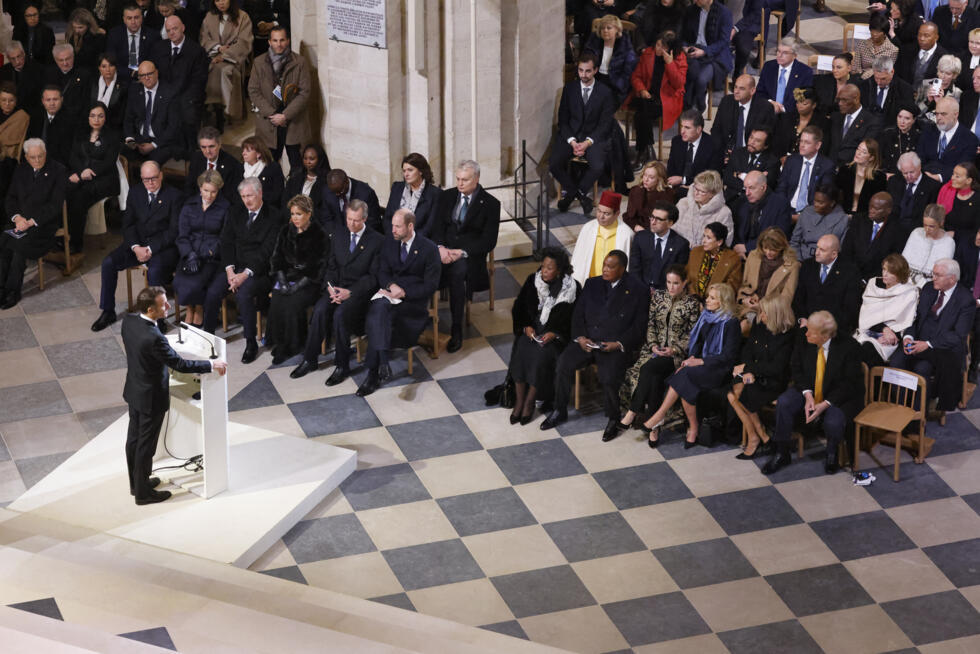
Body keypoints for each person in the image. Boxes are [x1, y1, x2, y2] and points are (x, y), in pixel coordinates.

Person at [121, 286, 227, 505]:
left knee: (134, 440)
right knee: (145, 446)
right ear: (150, 310)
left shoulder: (129, 321)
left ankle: (136, 484)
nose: (169, 306)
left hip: (134, 390)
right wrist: (211, 364)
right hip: (151, 397)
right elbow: (179, 364)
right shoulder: (153, 338)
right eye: (163, 305)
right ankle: (143, 494)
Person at [540, 250, 649, 440]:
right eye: (604, 265)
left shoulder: (638, 290)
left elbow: (639, 327)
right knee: (563, 364)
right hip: (587, 341)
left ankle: (613, 418)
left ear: (622, 269)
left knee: (609, 377)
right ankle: (559, 410)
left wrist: (618, 344)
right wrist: (581, 338)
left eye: (610, 267)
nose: (605, 269)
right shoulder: (592, 284)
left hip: (612, 346)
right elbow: (578, 315)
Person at [291, 199, 384, 383]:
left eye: (356, 220)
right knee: (320, 310)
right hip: (336, 288)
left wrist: (350, 292)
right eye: (349, 219)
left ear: (364, 219)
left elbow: (373, 277)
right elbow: (330, 266)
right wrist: (330, 287)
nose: (352, 224)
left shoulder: (377, 241)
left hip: (358, 294)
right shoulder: (339, 234)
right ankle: (310, 359)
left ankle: (342, 366)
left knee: (340, 315)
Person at [762, 310, 865, 475]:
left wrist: (825, 404)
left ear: (825, 336)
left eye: (811, 332)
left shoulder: (850, 347)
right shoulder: (804, 338)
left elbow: (849, 384)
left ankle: (832, 453)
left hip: (836, 395)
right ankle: (782, 452)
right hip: (809, 387)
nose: (806, 333)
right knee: (784, 402)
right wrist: (808, 394)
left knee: (834, 421)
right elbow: (796, 367)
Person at [640, 282, 739, 447]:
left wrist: (700, 361)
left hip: (720, 369)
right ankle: (692, 428)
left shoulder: (731, 323)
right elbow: (698, 345)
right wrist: (690, 360)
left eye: (712, 298)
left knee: (684, 376)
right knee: (685, 378)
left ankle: (661, 416)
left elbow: (728, 356)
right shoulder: (706, 316)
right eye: (708, 296)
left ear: (723, 302)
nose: (707, 300)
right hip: (703, 365)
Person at [356, 208, 441, 397]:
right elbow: (382, 271)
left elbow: (431, 286)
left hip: (412, 304)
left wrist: (405, 293)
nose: (392, 230)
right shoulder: (390, 243)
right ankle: (380, 365)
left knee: (377, 316)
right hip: (389, 296)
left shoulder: (429, 249)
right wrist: (391, 285)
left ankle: (375, 371)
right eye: (392, 225)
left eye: (397, 226)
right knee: (378, 310)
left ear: (410, 226)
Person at [92, 161, 182, 332]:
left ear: (161, 175)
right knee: (108, 263)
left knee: (155, 271)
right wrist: (135, 247)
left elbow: (173, 231)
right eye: (146, 179)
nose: (150, 183)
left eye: (154, 178)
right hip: (137, 245)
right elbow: (128, 224)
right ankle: (108, 311)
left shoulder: (174, 196)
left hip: (162, 247)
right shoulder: (135, 192)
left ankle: (158, 318)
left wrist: (150, 249)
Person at [618, 263, 700, 430]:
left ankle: (633, 412)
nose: (671, 287)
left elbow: (692, 335)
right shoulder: (658, 297)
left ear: (684, 282)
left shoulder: (692, 303)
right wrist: (654, 345)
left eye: (675, 283)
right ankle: (653, 429)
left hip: (675, 355)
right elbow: (651, 325)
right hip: (654, 351)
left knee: (648, 368)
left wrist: (674, 349)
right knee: (654, 379)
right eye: (668, 282)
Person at [431, 160, 501, 352]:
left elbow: (488, 241)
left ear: (476, 179)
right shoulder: (446, 196)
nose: (460, 184)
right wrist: (440, 248)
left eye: (465, 180)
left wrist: (461, 252)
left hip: (469, 257)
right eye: (458, 179)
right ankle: (419, 320)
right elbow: (436, 228)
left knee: (458, 272)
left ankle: (456, 328)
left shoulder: (491, 204)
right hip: (443, 252)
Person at [890, 258, 975, 414]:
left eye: (938, 275)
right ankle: (899, 410)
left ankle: (917, 417)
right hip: (916, 341)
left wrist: (928, 344)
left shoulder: (966, 300)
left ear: (952, 279)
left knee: (921, 368)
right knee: (895, 363)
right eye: (933, 274)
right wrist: (908, 337)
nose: (933, 278)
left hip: (941, 348)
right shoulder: (929, 288)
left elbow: (958, 336)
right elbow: (914, 317)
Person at [508, 247, 579, 425]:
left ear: (559, 271)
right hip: (534, 329)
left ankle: (530, 402)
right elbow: (519, 307)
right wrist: (526, 326)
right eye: (543, 266)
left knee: (540, 355)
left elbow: (575, 320)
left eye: (549, 268)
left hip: (555, 337)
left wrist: (555, 334)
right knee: (521, 349)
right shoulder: (533, 280)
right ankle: (519, 401)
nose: (544, 271)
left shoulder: (572, 288)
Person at [220, 177, 281, 363]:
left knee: (243, 294)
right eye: (243, 196)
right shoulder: (235, 211)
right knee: (213, 287)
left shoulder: (274, 215)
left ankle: (250, 342)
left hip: (261, 270)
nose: (246, 200)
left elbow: (267, 252)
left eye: (250, 196)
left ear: (260, 193)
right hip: (236, 267)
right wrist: (230, 271)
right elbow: (226, 242)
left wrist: (245, 274)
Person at [0, 139, 67, 310]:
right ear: (26, 157)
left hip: (42, 225)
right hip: (20, 222)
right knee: (3, 243)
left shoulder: (58, 170)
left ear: (45, 154)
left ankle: (13, 291)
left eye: (40, 156)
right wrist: (17, 218)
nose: (37, 160)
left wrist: (30, 222)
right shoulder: (21, 169)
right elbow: (11, 198)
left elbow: (55, 206)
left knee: (18, 248)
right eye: (33, 157)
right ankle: (1, 288)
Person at [727, 294, 796, 459]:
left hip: (773, 381)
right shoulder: (759, 326)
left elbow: (777, 368)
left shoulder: (788, 335)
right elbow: (747, 351)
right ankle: (760, 436)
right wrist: (748, 370)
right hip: (754, 373)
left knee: (740, 394)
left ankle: (756, 439)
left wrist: (751, 370)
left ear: (776, 314)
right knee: (732, 393)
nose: (761, 315)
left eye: (765, 312)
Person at [265, 194, 327, 364]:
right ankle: (280, 343)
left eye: (299, 214)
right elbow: (276, 259)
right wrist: (283, 282)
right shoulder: (285, 230)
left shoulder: (319, 234)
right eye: (292, 214)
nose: (295, 218)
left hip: (309, 282)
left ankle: (292, 346)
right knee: (277, 298)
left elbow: (317, 268)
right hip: (288, 277)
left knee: (293, 303)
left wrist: (295, 287)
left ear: (309, 213)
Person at [552, 51, 615, 215]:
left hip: (593, 138)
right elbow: (563, 120)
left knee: (598, 166)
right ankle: (579, 195)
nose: (583, 75)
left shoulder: (605, 92)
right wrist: (572, 141)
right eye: (581, 70)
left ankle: (571, 195)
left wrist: (587, 142)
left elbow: (605, 124)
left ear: (595, 70)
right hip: (571, 136)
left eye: (587, 71)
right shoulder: (569, 89)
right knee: (554, 164)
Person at [172, 169, 230, 331]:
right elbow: (182, 235)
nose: (209, 195)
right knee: (178, 282)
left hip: (211, 256)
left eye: (213, 192)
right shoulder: (189, 205)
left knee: (196, 283)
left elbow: (224, 237)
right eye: (206, 190)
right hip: (189, 254)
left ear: (218, 190)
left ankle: (198, 308)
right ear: (200, 188)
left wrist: (209, 253)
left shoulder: (225, 207)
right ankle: (190, 308)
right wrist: (189, 254)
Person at [248, 25, 311, 171]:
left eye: (282, 40)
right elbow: (253, 90)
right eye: (275, 40)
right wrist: (272, 113)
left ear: (288, 41)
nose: (279, 44)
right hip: (269, 123)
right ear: (269, 42)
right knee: (268, 168)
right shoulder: (259, 62)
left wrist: (285, 115)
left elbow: (305, 92)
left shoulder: (299, 62)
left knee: (297, 168)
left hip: (293, 121)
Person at [65, 102, 121, 254]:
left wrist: (88, 172)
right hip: (83, 176)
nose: (96, 119)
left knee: (79, 197)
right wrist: (81, 172)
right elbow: (73, 157)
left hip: (103, 179)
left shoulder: (113, 136)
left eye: (100, 116)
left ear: (105, 118)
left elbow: (108, 162)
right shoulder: (80, 133)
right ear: (88, 117)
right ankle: (61, 237)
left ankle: (76, 244)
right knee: (65, 190)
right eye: (93, 116)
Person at [627, 29, 687, 167]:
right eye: (658, 45)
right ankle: (648, 151)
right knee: (643, 110)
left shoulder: (679, 58)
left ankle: (643, 152)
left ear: (670, 49)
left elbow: (679, 84)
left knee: (641, 114)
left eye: (663, 47)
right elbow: (636, 76)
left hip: (666, 99)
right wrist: (642, 89)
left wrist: (670, 64)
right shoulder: (649, 53)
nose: (658, 49)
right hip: (646, 96)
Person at [152, 15, 209, 155]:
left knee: (185, 110)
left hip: (187, 95)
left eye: (175, 29)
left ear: (183, 28)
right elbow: (155, 74)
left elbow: (198, 82)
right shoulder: (159, 48)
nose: (171, 33)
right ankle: (159, 149)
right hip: (164, 93)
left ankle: (189, 152)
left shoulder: (197, 51)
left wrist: (179, 97)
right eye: (168, 30)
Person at [853, 253, 920, 366]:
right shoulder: (873, 285)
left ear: (900, 274)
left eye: (890, 272)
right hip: (866, 332)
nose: (884, 274)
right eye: (884, 269)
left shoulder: (909, 292)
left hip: (890, 340)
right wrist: (884, 328)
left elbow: (906, 322)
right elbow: (866, 315)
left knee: (867, 350)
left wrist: (889, 335)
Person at [793, 233, 863, 333]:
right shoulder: (807, 266)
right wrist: (802, 318)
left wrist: (827, 326)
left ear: (834, 254)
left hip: (834, 329)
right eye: (817, 247)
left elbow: (850, 308)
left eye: (822, 250)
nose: (817, 253)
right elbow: (798, 297)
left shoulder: (850, 271)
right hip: (806, 325)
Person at [200, 0, 253, 130]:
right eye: (217, 0)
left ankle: (227, 112)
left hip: (234, 58)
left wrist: (224, 55)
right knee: (205, 69)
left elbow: (244, 42)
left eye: (224, 0)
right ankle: (215, 111)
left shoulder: (243, 17)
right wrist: (218, 48)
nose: (221, 3)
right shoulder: (209, 16)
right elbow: (203, 38)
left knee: (225, 71)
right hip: (213, 56)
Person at [736, 227, 799, 332]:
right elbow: (744, 285)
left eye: (773, 249)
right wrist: (744, 299)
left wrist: (761, 306)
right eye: (765, 248)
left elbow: (786, 298)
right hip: (748, 306)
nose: (768, 252)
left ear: (781, 247)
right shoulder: (753, 256)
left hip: (772, 313)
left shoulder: (792, 265)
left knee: (745, 327)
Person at [678, 0, 734, 113]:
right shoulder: (690, 10)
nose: (695, 0)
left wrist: (704, 51)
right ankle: (687, 105)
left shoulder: (724, 13)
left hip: (715, 55)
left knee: (701, 79)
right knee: (686, 73)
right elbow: (682, 35)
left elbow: (723, 41)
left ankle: (699, 106)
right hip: (693, 51)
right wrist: (684, 47)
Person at [570, 190, 634, 286]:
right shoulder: (588, 228)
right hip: (589, 282)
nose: (601, 216)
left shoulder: (626, 234)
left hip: (612, 284)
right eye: (599, 211)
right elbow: (578, 259)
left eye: (606, 213)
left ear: (617, 214)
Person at [123, 61, 182, 164]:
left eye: (149, 74)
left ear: (156, 73)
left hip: (161, 142)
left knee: (152, 163)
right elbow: (128, 119)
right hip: (139, 139)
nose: (147, 78)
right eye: (143, 75)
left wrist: (153, 145)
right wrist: (130, 139)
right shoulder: (134, 90)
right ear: (139, 78)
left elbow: (173, 127)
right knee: (120, 154)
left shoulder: (170, 93)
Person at [711, 75, 776, 165]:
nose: (736, 91)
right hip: (727, 152)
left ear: (752, 91)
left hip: (752, 154)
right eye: (735, 87)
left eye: (741, 89)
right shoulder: (726, 101)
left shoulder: (765, 108)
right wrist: (723, 152)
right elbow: (716, 130)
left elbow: (767, 139)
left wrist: (743, 154)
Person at [842, 192, 907, 281]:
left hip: (877, 278)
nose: (871, 210)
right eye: (870, 206)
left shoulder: (898, 230)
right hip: (852, 273)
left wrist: (870, 280)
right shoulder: (858, 220)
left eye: (876, 208)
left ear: (888, 211)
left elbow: (892, 261)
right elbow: (846, 250)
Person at [776, 126, 836, 217]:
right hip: (787, 210)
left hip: (811, 214)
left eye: (807, 142)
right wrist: (783, 209)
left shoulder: (827, 166)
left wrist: (806, 216)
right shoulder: (791, 161)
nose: (802, 145)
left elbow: (824, 196)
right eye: (801, 141)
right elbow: (781, 188)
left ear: (818, 145)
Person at [629, 200, 691, 289]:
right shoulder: (640, 237)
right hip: (640, 288)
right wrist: (642, 290)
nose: (653, 222)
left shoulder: (680, 245)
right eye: (652, 217)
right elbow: (634, 269)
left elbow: (677, 276)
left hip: (666, 291)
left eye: (658, 219)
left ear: (670, 223)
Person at [917, 97, 979, 182]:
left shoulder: (969, 139)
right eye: (937, 113)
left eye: (943, 114)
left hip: (951, 183)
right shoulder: (929, 131)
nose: (938, 118)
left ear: (956, 114)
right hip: (924, 180)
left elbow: (963, 169)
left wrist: (939, 177)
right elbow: (920, 158)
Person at [732, 171, 793, 257]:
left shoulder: (780, 204)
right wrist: (737, 249)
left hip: (766, 255)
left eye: (751, 188)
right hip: (739, 253)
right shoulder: (741, 202)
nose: (747, 193)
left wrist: (747, 247)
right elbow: (734, 231)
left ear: (763, 187)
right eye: (745, 188)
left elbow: (779, 236)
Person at [582, 14, 637, 107]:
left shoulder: (625, 44)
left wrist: (620, 84)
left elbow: (629, 69)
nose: (605, 30)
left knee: (604, 105)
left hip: (615, 83)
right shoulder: (594, 41)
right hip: (596, 79)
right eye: (602, 28)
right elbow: (585, 60)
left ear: (617, 30)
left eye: (609, 28)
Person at [664, 109, 721, 197]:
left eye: (687, 128)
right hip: (677, 188)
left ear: (698, 129)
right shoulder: (677, 141)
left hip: (702, 191)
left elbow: (711, 178)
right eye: (682, 126)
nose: (682, 131)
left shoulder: (713, 145)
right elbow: (671, 169)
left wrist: (684, 180)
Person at [383, 152, 441, 237]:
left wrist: (410, 240)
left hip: (419, 241)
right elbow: (387, 218)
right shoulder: (397, 188)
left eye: (410, 170)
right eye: (404, 171)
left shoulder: (435, 194)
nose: (406, 174)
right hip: (394, 238)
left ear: (421, 171)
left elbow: (429, 227)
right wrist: (393, 236)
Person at [828, 84, 884, 166]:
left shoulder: (871, 121)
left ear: (856, 99)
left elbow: (865, 150)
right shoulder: (835, 118)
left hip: (853, 167)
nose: (840, 103)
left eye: (844, 100)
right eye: (839, 100)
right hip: (830, 165)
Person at [185, 127, 243, 206]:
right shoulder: (196, 159)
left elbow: (232, 196)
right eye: (203, 147)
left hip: (221, 206)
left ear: (219, 145)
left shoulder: (233, 165)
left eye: (211, 146)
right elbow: (189, 187)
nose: (207, 151)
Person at [674, 170, 733, 248]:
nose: (696, 193)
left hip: (706, 254)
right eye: (695, 188)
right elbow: (672, 230)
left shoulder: (724, 213)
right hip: (678, 251)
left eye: (702, 191)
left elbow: (725, 242)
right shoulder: (683, 204)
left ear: (712, 194)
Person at [756, 38, 814, 116]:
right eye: (778, 51)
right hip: (768, 111)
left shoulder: (805, 72)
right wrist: (771, 103)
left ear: (794, 56)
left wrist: (782, 109)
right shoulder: (768, 66)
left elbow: (803, 99)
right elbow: (759, 92)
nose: (779, 55)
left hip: (791, 115)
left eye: (785, 53)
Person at [723, 128, 781, 205]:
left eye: (757, 141)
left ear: (766, 146)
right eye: (751, 137)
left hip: (753, 204)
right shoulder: (738, 152)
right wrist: (752, 184)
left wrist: (740, 176)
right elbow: (727, 178)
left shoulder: (772, 162)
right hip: (730, 199)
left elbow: (766, 187)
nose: (752, 142)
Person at [685, 222, 743, 299]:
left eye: (708, 238)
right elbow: (687, 278)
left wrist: (711, 300)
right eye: (704, 236)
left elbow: (730, 288)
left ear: (719, 242)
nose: (703, 241)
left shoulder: (732, 259)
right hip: (692, 298)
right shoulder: (695, 252)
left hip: (717, 301)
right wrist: (694, 298)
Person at [903, 203, 958, 285]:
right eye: (925, 225)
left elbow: (941, 274)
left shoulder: (948, 243)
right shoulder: (916, 233)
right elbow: (903, 263)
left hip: (929, 286)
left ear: (941, 223)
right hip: (905, 280)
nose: (927, 229)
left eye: (931, 226)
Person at [770, 87, 830, 162]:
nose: (800, 106)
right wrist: (781, 157)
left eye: (804, 103)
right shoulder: (787, 118)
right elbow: (777, 142)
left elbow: (821, 149)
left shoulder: (822, 124)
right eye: (798, 102)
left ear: (814, 105)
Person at [889, 151, 942, 234]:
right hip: (894, 229)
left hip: (919, 231)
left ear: (919, 167)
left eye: (912, 172)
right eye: (905, 173)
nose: (909, 176)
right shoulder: (894, 181)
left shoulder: (933, 186)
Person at [106, 2, 161, 81]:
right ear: (124, 19)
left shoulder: (153, 36)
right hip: (121, 79)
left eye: (136, 17)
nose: (133, 22)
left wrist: (142, 73)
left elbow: (155, 61)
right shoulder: (114, 35)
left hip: (146, 78)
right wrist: (132, 73)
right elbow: (111, 62)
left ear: (142, 18)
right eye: (129, 18)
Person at [319, 168, 382, 233]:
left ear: (347, 183)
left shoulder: (366, 194)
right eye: (334, 192)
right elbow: (326, 217)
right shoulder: (328, 190)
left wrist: (353, 236)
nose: (337, 195)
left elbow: (373, 222)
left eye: (340, 191)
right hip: (338, 234)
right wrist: (336, 235)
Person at [45, 45, 94, 129]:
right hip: (56, 122)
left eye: (68, 59)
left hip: (77, 122)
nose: (65, 63)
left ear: (73, 57)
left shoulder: (84, 75)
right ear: (55, 60)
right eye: (61, 60)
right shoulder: (49, 75)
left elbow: (86, 102)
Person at [836, 138, 888, 215]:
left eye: (864, 152)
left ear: (871, 158)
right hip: (841, 214)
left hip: (864, 218)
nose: (858, 153)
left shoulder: (879, 177)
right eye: (858, 149)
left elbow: (876, 205)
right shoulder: (845, 170)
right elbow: (835, 196)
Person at [861, 56, 915, 126]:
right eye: (876, 78)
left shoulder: (905, 89)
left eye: (883, 79)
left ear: (892, 71)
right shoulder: (864, 86)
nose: (879, 82)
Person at [27, 86, 73, 167]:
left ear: (62, 99)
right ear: (43, 101)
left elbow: (68, 151)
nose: (52, 103)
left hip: (59, 166)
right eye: (48, 100)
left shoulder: (70, 120)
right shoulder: (36, 117)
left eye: (55, 99)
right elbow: (29, 142)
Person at [896, 22, 948, 90]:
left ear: (936, 38)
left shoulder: (944, 57)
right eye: (919, 35)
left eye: (926, 36)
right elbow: (898, 74)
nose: (921, 38)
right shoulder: (906, 51)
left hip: (929, 94)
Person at [624, 161, 674, 231]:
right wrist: (636, 227)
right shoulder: (635, 190)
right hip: (638, 226)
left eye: (651, 177)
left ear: (659, 179)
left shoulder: (667, 194)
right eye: (645, 175)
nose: (646, 179)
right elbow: (629, 216)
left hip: (656, 229)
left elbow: (666, 220)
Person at [0, 82, 30, 201]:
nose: (7, 104)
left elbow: (22, 143)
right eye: (3, 100)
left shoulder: (23, 117)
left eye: (11, 100)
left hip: (9, 163)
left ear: (16, 101)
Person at [937, 162, 980, 243]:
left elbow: (976, 231)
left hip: (967, 243)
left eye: (957, 176)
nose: (952, 178)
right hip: (944, 239)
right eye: (953, 174)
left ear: (968, 180)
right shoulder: (947, 191)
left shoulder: (977, 199)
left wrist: (956, 234)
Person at [916, 54, 963, 126]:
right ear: (937, 70)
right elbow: (916, 111)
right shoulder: (926, 84)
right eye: (941, 72)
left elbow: (950, 119)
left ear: (954, 75)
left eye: (948, 74)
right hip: (919, 124)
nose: (943, 76)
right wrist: (927, 101)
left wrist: (940, 103)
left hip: (939, 128)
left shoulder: (957, 93)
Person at [240, 136, 285, 208]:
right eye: (243, 150)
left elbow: (277, 193)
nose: (243, 153)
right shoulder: (240, 168)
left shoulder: (273, 167)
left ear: (258, 154)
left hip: (268, 208)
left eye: (248, 151)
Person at [814, 54, 861, 120]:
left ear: (849, 68)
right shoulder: (824, 81)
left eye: (839, 67)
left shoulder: (857, 84)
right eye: (833, 67)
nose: (834, 70)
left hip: (845, 119)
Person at [0, 41, 44, 114]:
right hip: (8, 111)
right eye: (13, 59)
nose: (17, 62)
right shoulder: (3, 71)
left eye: (19, 56)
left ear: (24, 54)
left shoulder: (37, 69)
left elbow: (40, 96)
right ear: (8, 58)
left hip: (31, 111)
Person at [284, 143, 329, 212]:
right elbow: (285, 202)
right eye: (305, 158)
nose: (308, 162)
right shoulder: (295, 178)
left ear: (320, 159)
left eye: (312, 159)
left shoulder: (326, 181)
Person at [878, 104, 922, 173]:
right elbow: (879, 158)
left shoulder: (919, 138)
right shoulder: (888, 134)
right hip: (887, 173)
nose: (902, 121)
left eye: (907, 118)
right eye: (900, 117)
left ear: (914, 120)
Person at [855, 13, 900, 79]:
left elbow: (887, 72)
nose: (874, 34)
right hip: (860, 78)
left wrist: (868, 75)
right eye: (872, 31)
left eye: (878, 32)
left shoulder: (893, 50)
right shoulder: (862, 44)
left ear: (884, 33)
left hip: (880, 79)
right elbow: (856, 67)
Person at [90, 53, 127, 131]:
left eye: (111, 65)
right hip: (92, 126)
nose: (108, 69)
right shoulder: (93, 84)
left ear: (115, 67)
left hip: (114, 128)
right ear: (99, 68)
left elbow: (122, 115)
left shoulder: (123, 87)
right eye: (104, 66)